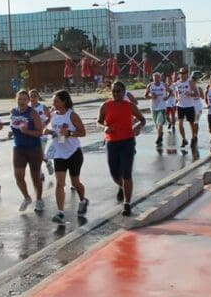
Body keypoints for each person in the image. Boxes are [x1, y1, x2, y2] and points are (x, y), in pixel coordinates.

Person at [97, 81, 147, 216]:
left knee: (126, 173)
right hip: (112, 143)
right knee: (114, 173)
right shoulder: (106, 106)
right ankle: (122, 186)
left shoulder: (129, 106)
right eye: (113, 91)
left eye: (118, 91)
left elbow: (143, 119)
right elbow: (99, 122)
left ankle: (127, 203)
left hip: (127, 141)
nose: (116, 94)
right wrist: (105, 128)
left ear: (124, 92)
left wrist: (138, 127)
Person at [44, 90, 89, 224]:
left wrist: (69, 133)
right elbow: (44, 128)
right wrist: (47, 131)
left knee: (75, 183)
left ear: (64, 101)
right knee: (60, 183)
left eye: (56, 101)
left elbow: (83, 132)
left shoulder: (72, 115)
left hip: (74, 152)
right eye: (53, 101)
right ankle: (60, 212)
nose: (54, 104)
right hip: (59, 154)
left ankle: (83, 200)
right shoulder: (52, 115)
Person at [9, 90, 45, 212]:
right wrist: (11, 132)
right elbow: (14, 127)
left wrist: (27, 132)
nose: (22, 101)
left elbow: (40, 132)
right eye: (20, 99)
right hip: (18, 148)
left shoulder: (32, 113)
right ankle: (26, 197)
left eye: (24, 99)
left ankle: (39, 200)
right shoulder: (13, 112)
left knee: (35, 176)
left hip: (33, 148)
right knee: (18, 176)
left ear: (28, 101)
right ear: (16, 99)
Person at [29, 89, 54, 177]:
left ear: (38, 97)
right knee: (35, 154)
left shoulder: (42, 107)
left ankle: (40, 172)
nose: (32, 98)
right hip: (31, 134)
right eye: (31, 96)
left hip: (42, 134)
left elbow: (50, 116)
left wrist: (45, 123)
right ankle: (47, 163)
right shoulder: (27, 108)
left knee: (39, 153)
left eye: (35, 96)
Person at [172, 67, 198, 148]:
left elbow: (197, 94)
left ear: (187, 73)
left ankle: (193, 137)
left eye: (183, 73)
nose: (181, 75)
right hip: (180, 106)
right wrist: (176, 98)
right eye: (180, 73)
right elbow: (176, 93)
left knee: (191, 123)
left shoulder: (190, 82)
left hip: (189, 106)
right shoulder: (177, 83)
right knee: (180, 124)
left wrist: (190, 94)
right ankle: (184, 139)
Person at [144, 72, 171, 146]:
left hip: (162, 107)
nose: (156, 80)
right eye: (154, 78)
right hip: (153, 107)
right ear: (153, 79)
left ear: (160, 78)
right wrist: (151, 97)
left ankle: (159, 137)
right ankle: (160, 133)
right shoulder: (150, 85)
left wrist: (167, 97)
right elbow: (145, 95)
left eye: (157, 78)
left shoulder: (164, 85)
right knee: (156, 123)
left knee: (159, 123)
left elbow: (170, 91)